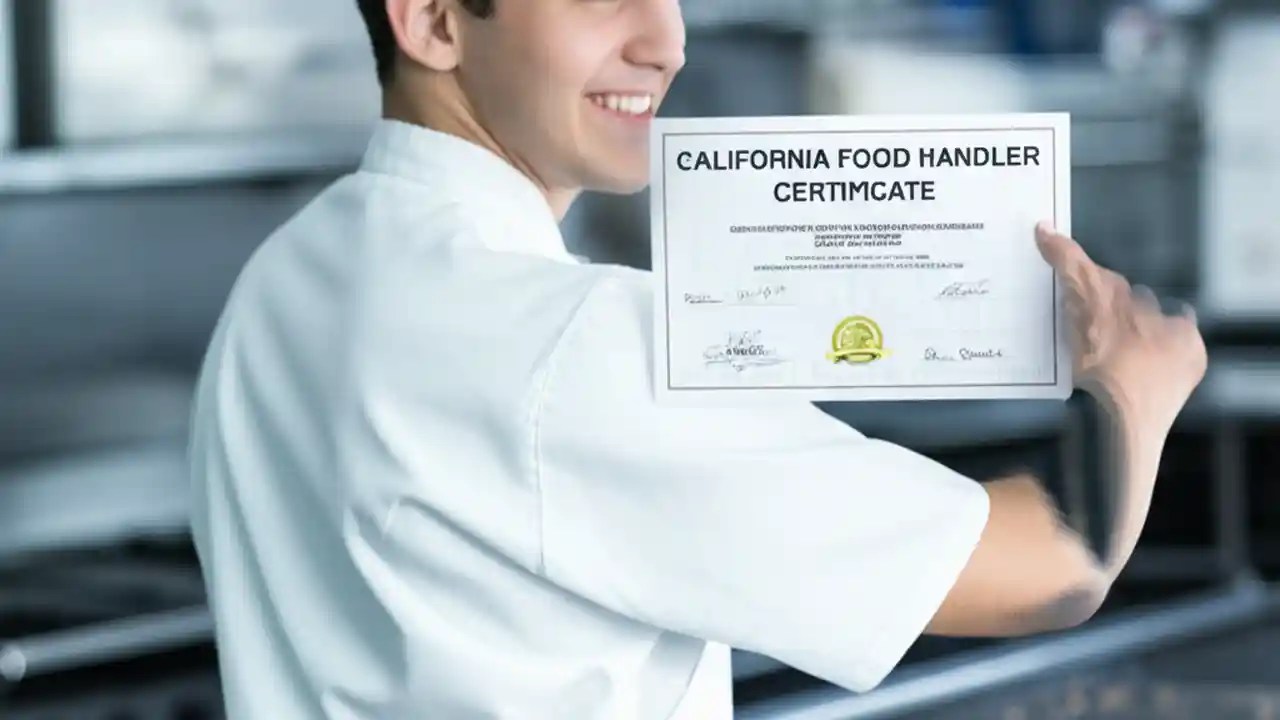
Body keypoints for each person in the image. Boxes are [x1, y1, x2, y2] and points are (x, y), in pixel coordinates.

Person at [186, 0, 1209, 718]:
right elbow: (1051, 567)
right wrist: (1136, 382)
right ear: (434, 21)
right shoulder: (565, 337)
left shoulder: (282, 277)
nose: (664, 43)